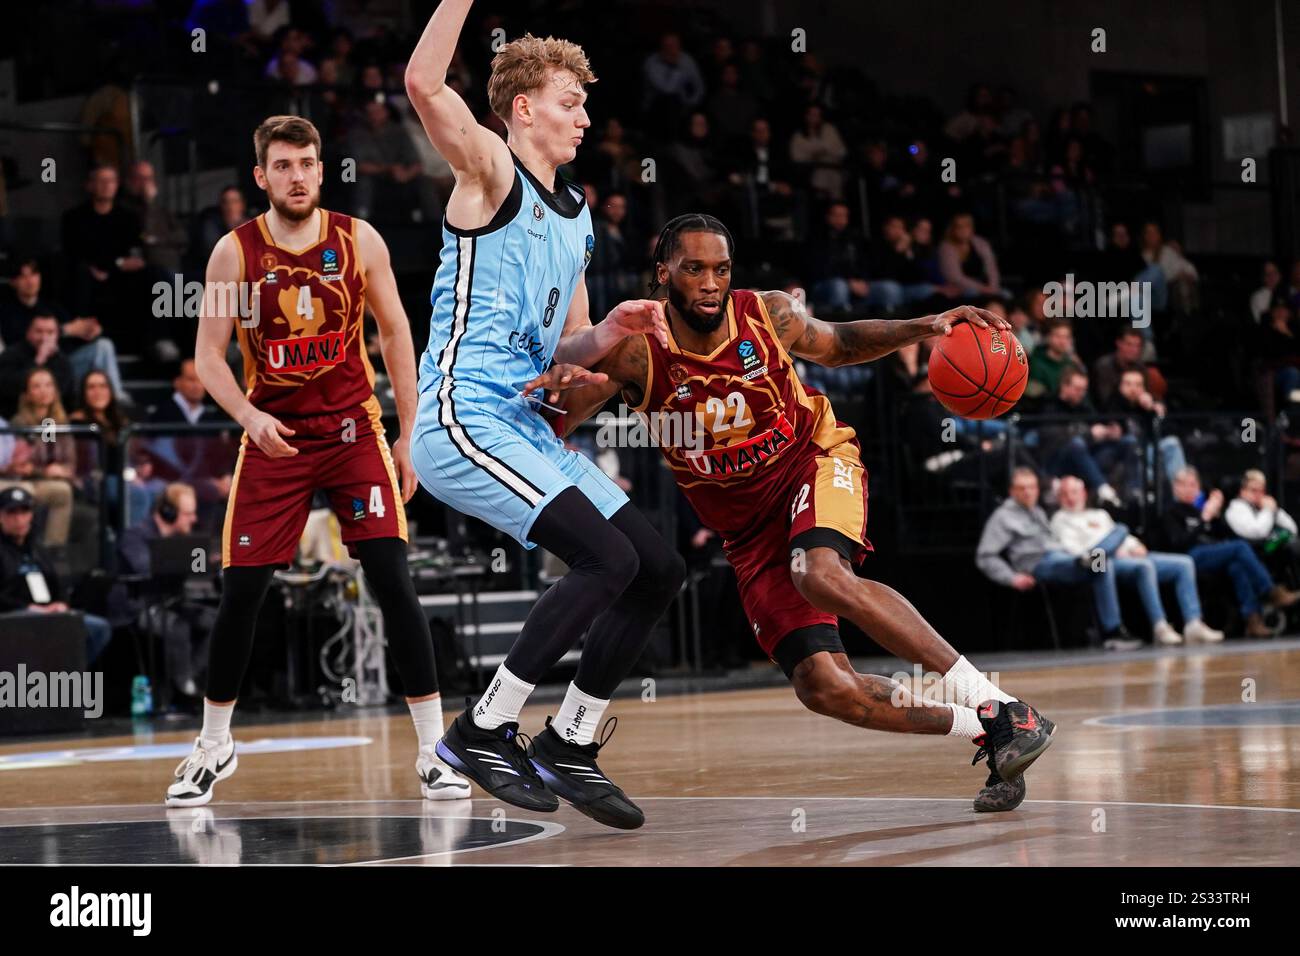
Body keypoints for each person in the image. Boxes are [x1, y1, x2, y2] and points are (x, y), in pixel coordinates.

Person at [561, 213, 1058, 814]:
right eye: (694, 269)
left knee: (819, 572)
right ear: (663, 273)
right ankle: (992, 726)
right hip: (746, 534)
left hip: (813, 462)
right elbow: (558, 421)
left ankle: (998, 703)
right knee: (825, 687)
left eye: (721, 268)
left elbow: (842, 343)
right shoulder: (635, 350)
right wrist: (545, 393)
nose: (710, 283)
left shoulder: (766, 314)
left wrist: (927, 326)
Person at [404, 7, 682, 829]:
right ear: (523, 108)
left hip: (522, 423)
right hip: (462, 415)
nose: (585, 117)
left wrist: (612, 332)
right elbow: (423, 83)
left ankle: (570, 740)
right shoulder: (489, 166)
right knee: (601, 559)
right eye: (570, 101)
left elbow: (569, 344)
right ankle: (483, 726)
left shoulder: (579, 212)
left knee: (656, 567)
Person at [168, 113, 473, 809]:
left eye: (307, 163)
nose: (297, 176)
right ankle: (215, 744)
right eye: (283, 166)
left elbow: (397, 333)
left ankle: (434, 750)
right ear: (260, 176)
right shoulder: (233, 253)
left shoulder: (358, 238)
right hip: (273, 432)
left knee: (393, 577)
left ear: (321, 168)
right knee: (242, 589)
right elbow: (207, 357)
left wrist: (410, 433)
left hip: (352, 431)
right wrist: (248, 415)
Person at [976, 468, 1141, 652]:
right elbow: (985, 555)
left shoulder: (1037, 511)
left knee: (1117, 536)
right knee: (1100, 561)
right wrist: (1012, 578)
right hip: (1039, 564)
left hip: (1063, 557)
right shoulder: (1003, 517)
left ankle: (1090, 558)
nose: (1028, 492)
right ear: (1012, 491)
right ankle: (1112, 631)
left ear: (1038, 489)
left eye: (1031, 487)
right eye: (1021, 488)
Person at [1050, 475, 1224, 644]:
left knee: (1184, 563)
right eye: (1065, 494)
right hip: (1099, 561)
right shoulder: (1060, 519)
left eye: (1074, 492)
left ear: (1084, 493)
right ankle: (1160, 626)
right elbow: (1078, 553)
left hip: (1126, 555)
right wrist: (1111, 550)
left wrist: (1135, 545)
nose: (1070, 498)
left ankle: (1193, 623)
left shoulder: (1100, 514)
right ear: (1059, 498)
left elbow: (1126, 540)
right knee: (1129, 550)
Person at [1161, 466, 1298, 638]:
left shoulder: (1199, 509)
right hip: (1189, 556)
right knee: (1239, 547)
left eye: (1193, 485)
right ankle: (1269, 591)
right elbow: (1179, 543)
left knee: (1236, 566)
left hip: (1211, 552)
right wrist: (1204, 518)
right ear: (1176, 487)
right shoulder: (1171, 512)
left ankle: (1252, 619)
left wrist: (1217, 515)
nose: (1190, 489)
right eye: (1185, 485)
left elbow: (1222, 535)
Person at [114, 482, 216, 701]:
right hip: (140, 605)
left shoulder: (184, 540)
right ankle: (183, 689)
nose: (194, 519)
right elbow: (143, 567)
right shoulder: (135, 536)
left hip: (173, 602)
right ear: (168, 513)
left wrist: (210, 562)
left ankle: (190, 680)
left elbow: (198, 572)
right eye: (188, 514)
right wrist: (180, 558)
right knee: (176, 627)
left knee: (216, 622)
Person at [0, 486, 111, 662]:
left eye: (24, 511)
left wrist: (60, 604)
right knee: (36, 621)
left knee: (98, 628)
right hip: (13, 613)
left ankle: (68, 675)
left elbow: (56, 584)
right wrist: (29, 608)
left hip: (48, 611)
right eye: (12, 513)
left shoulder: (37, 549)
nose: (19, 519)